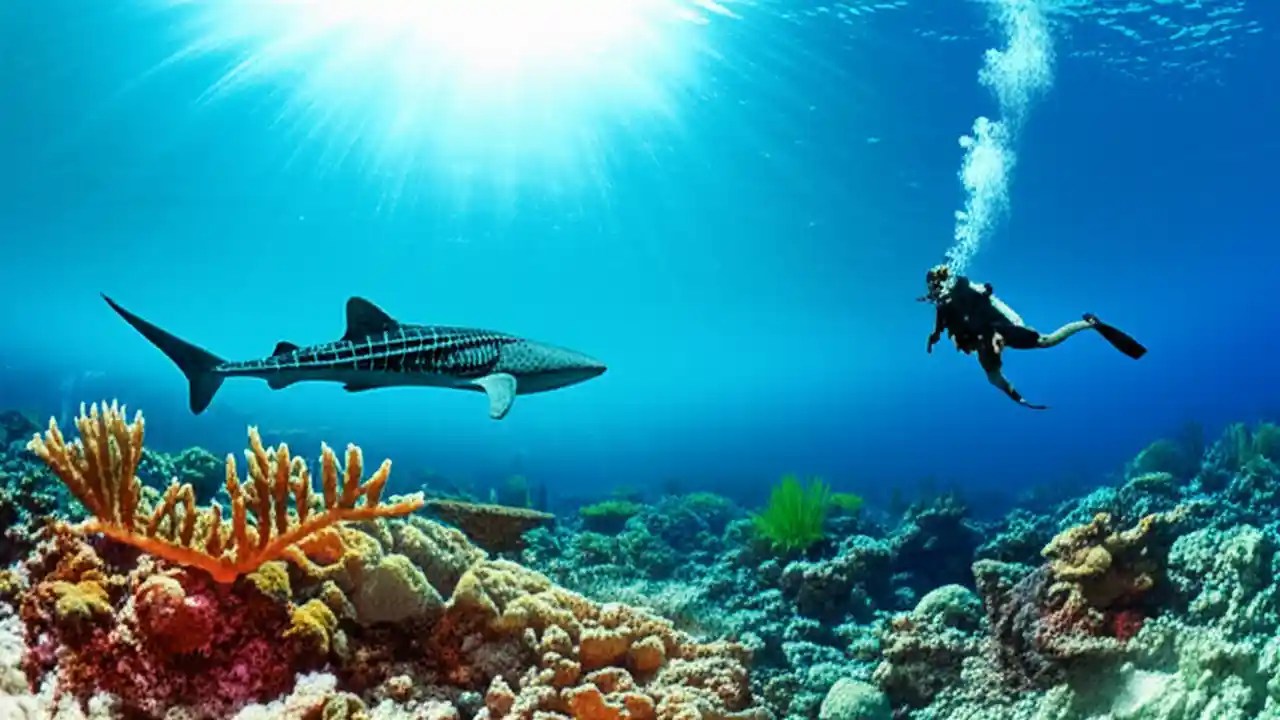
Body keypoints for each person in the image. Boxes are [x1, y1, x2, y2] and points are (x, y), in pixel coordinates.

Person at [920, 264, 1147, 410]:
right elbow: (939, 326)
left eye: (935, 284)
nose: (935, 290)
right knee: (996, 372)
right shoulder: (943, 307)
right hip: (983, 337)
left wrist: (984, 292)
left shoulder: (962, 286)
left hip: (999, 327)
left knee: (1044, 342)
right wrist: (934, 338)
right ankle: (1015, 395)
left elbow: (982, 291)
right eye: (933, 286)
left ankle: (1088, 324)